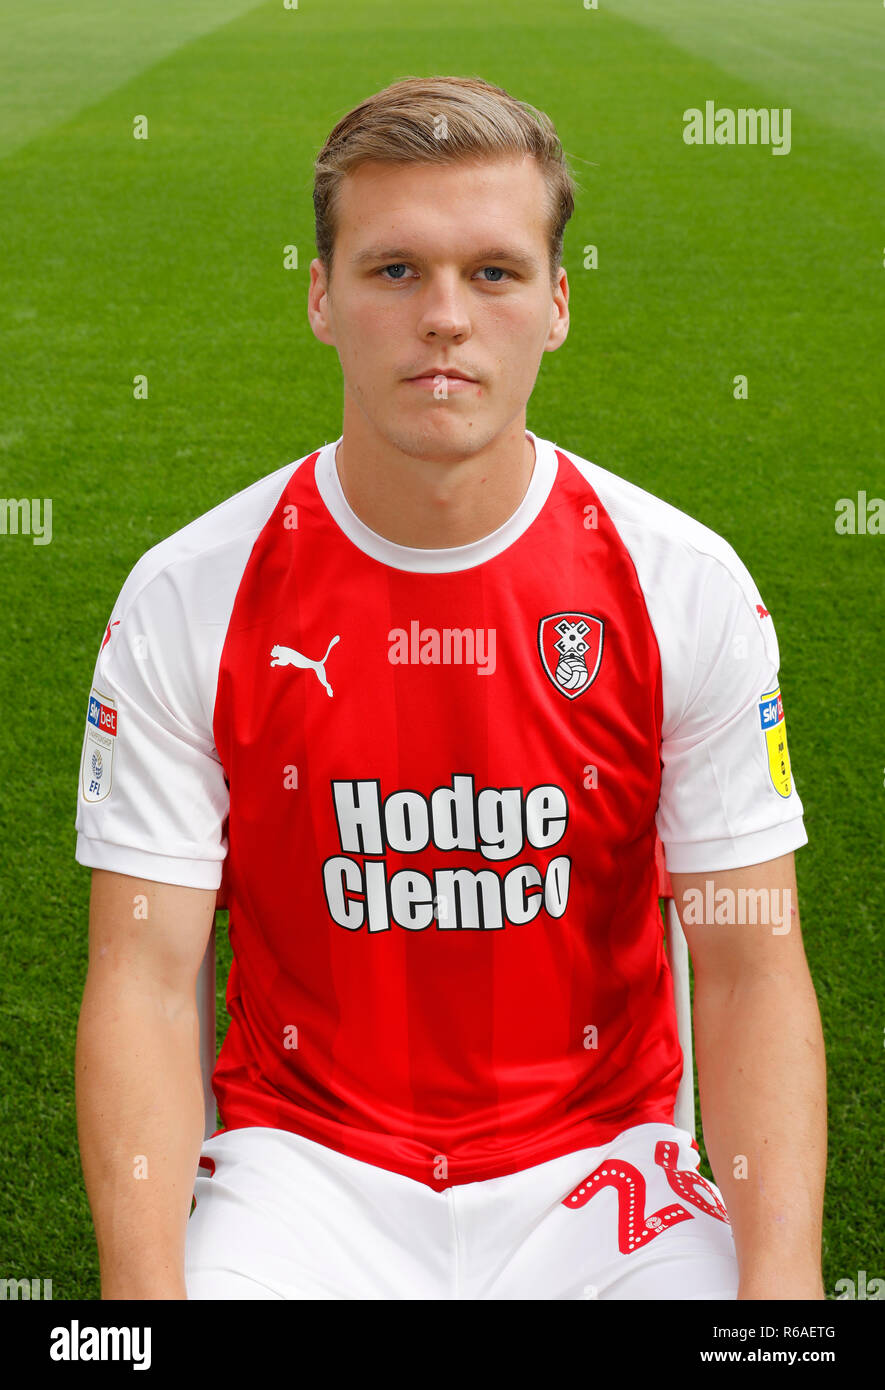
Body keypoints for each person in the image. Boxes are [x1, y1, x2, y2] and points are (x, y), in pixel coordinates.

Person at [74, 75, 826, 1301]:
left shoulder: (680, 582)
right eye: (393, 271)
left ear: (557, 304)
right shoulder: (189, 594)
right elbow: (147, 977)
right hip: (298, 1177)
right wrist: (146, 1307)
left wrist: (783, 1300)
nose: (443, 318)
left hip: (604, 1171)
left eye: (492, 272)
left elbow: (748, 965)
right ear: (321, 297)